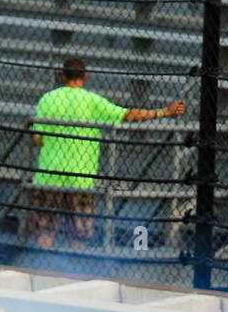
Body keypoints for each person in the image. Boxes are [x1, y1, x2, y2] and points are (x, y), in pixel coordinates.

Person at [27, 57, 184, 250]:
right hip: (81, 178)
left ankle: (40, 268)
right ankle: (75, 271)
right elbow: (127, 114)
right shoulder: (93, 102)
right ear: (85, 77)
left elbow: (37, 138)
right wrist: (163, 112)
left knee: (45, 234)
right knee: (78, 237)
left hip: (49, 176)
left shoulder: (48, 99)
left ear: (62, 76)